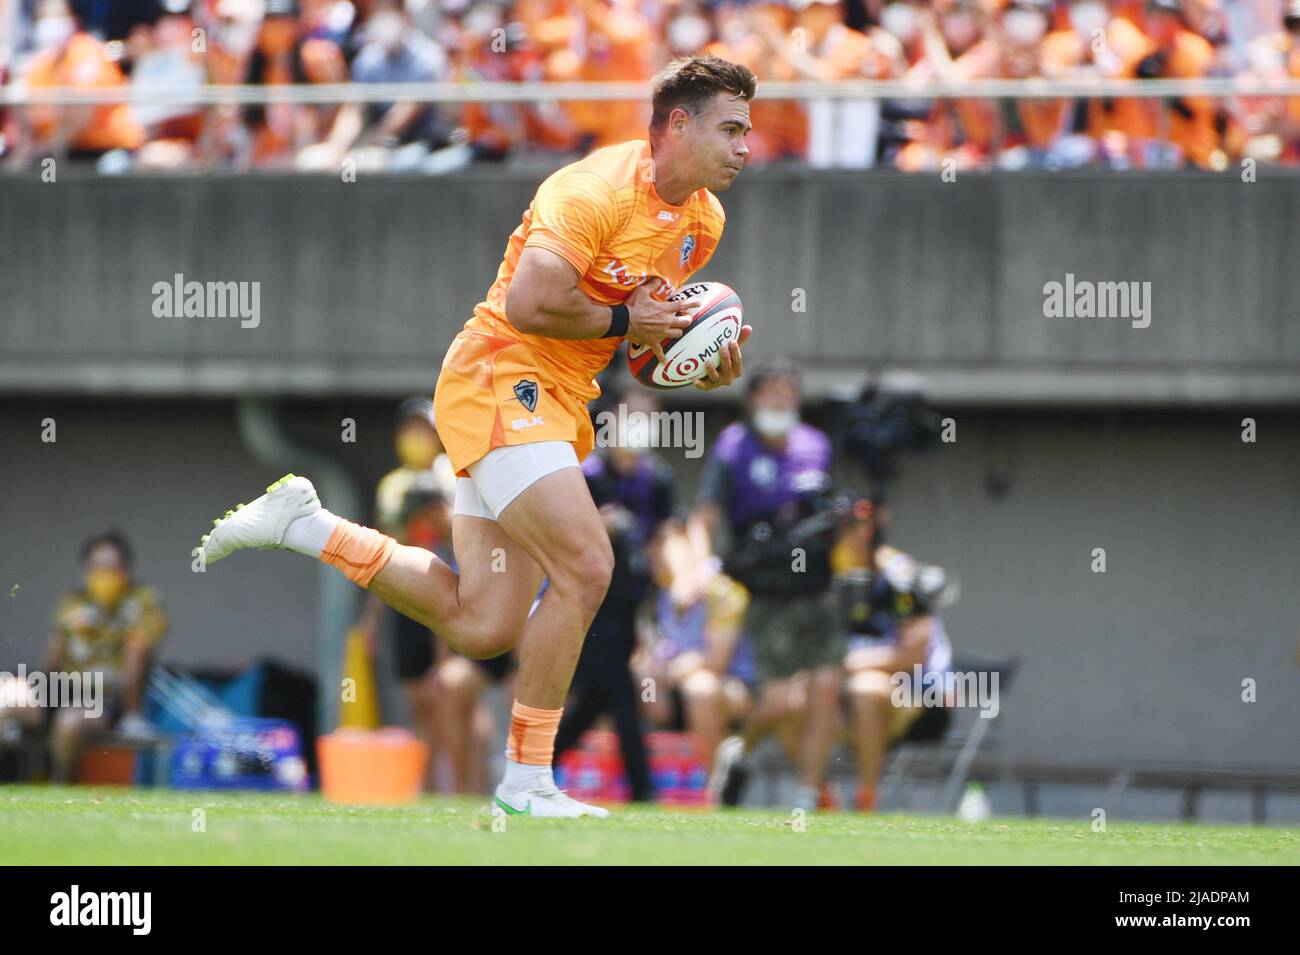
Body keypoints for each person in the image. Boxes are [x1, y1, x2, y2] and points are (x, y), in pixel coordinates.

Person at [199, 53, 756, 817]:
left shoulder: (703, 222)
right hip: (499, 374)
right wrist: (634, 320)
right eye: (730, 128)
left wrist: (701, 368)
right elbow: (531, 303)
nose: (745, 146)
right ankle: (526, 782)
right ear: (678, 125)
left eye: (748, 131)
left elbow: (639, 348)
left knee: (485, 623)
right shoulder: (590, 188)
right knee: (589, 566)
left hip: (559, 400)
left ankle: (307, 525)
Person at [695, 360, 843, 812]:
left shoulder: (816, 446)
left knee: (825, 689)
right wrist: (701, 570)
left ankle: (807, 795)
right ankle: (738, 751)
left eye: (789, 393)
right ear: (752, 399)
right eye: (772, 393)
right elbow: (705, 518)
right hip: (767, 592)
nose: (781, 401)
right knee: (779, 701)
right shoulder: (734, 448)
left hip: (817, 589)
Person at [551, 385, 676, 802]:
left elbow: (661, 540)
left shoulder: (657, 478)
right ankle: (643, 790)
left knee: (596, 699)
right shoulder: (589, 473)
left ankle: (535, 762)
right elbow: (567, 531)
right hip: (591, 599)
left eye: (649, 417)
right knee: (620, 693)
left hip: (631, 602)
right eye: (633, 416)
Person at [354, 395, 456, 790]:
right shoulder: (393, 487)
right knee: (419, 697)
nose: (417, 437)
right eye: (410, 430)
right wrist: (371, 619)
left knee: (447, 691)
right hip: (406, 595)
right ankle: (426, 784)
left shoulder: (453, 476)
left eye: (424, 430)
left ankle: (457, 781)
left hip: (449, 589)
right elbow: (384, 551)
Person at [831, 491, 953, 812]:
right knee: (796, 692)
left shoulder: (900, 575)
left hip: (920, 697)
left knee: (866, 688)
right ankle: (819, 797)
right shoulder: (830, 574)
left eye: (850, 527)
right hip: (846, 694)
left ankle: (867, 799)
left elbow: (911, 657)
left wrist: (846, 665)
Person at [46, 531, 167, 782]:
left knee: (70, 722)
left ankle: (57, 787)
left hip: (103, 698)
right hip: (59, 689)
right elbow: (53, 656)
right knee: (9, 696)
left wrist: (131, 712)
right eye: (96, 567)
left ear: (124, 570)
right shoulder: (73, 602)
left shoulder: (142, 601)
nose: (103, 574)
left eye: (110, 567)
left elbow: (141, 653)